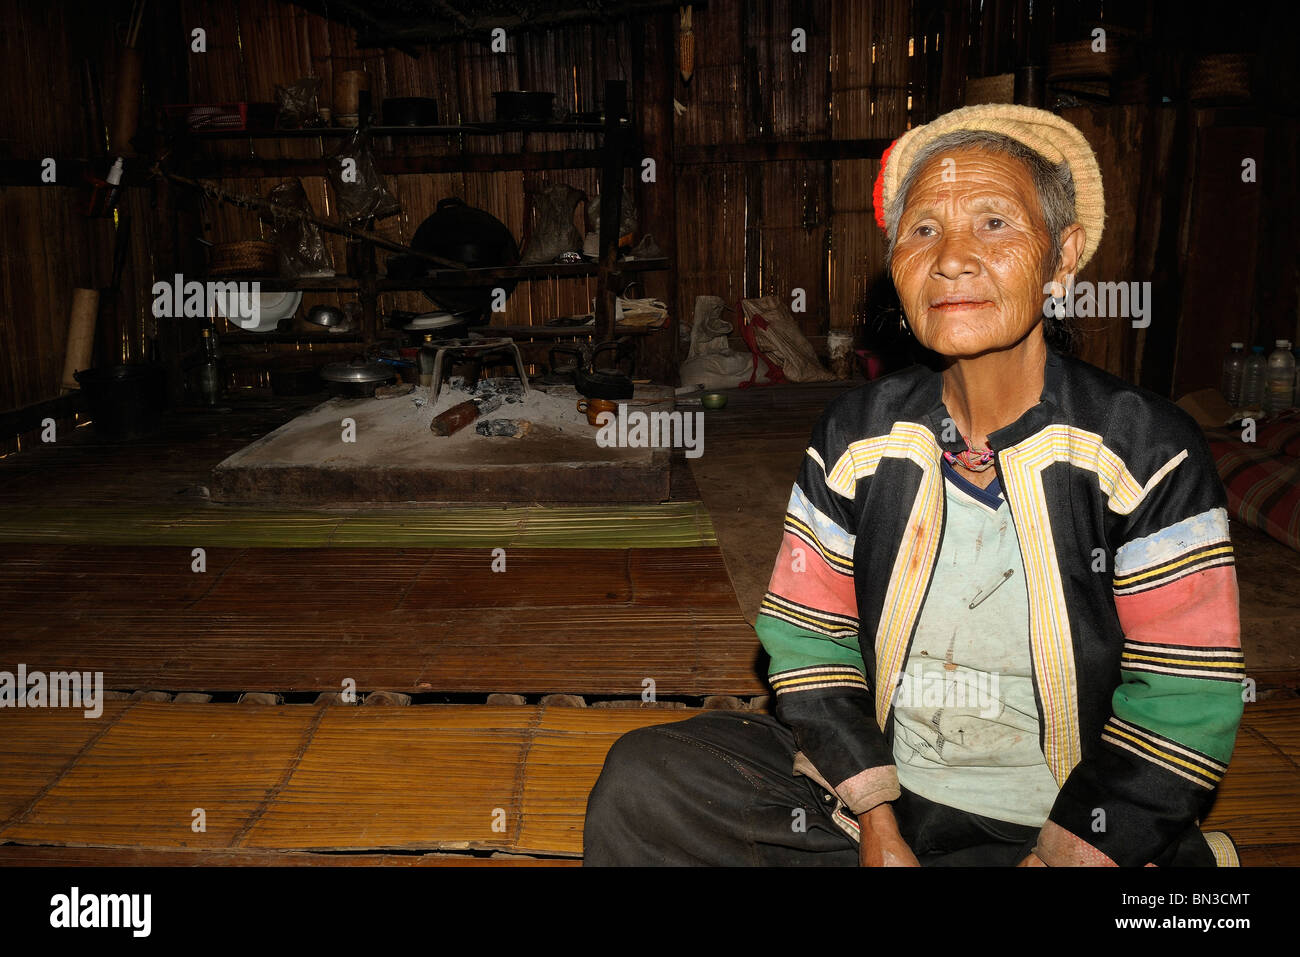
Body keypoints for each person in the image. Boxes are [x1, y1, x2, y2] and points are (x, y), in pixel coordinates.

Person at [583, 104, 1245, 867]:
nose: (953, 257)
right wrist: (875, 817)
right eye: (923, 229)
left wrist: (1072, 848)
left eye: (995, 222)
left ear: (1063, 259)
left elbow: (1185, 694)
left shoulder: (1145, 450)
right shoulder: (856, 436)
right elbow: (805, 638)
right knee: (644, 786)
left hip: (1067, 815)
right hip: (878, 791)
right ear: (895, 261)